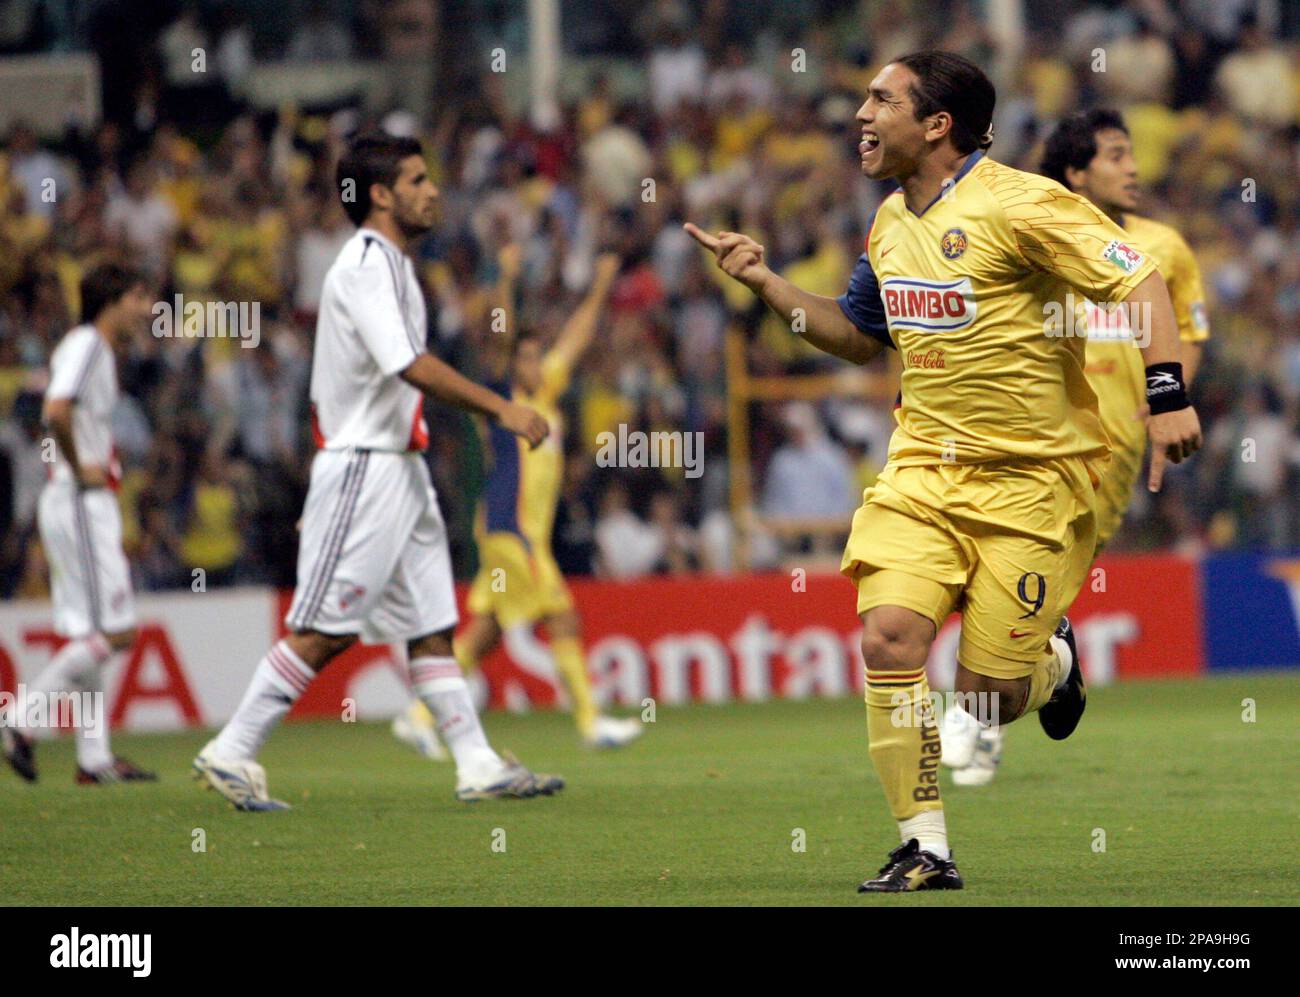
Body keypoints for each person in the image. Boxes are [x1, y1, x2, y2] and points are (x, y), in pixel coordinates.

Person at [686, 51, 1201, 891]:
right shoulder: (889, 221)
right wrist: (766, 283)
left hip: (1031, 481)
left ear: (935, 125)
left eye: (880, 99)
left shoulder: (1022, 202)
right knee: (889, 635)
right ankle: (925, 846)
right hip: (922, 470)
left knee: (990, 696)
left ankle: (1056, 665)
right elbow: (857, 334)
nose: (860, 113)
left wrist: (1166, 388)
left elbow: (1138, 280)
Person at [193, 133, 563, 810]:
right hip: (366, 467)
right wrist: (498, 409)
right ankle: (232, 747)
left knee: (430, 626)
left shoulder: (393, 266)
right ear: (382, 194)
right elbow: (409, 365)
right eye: (418, 179)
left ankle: (476, 761)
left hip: (400, 466)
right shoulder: (365, 263)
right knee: (327, 629)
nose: (434, 190)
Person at [941, 108, 1212, 785]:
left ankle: (1010, 697)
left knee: (1016, 595)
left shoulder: (1164, 248)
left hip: (1110, 450)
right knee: (984, 579)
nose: (1134, 166)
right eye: (1116, 155)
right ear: (1074, 172)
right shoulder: (1035, 237)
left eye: (1132, 153)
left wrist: (1165, 405)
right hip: (1028, 442)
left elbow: (1188, 334)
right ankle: (1032, 675)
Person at [393, 247, 643, 754]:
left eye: (536, 356)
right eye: (525, 358)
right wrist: (506, 277)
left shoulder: (545, 394)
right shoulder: (505, 402)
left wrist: (600, 285)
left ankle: (419, 716)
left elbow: (575, 339)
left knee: (486, 634)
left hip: (515, 536)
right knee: (562, 618)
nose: (535, 363)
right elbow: (500, 336)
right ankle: (591, 724)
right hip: (512, 532)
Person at [1, 263, 157, 785]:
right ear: (112, 298)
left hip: (76, 499)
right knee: (117, 631)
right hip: (81, 499)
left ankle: (94, 758)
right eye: (139, 296)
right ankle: (20, 722)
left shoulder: (92, 348)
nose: (147, 308)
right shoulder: (89, 343)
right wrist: (78, 464)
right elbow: (57, 408)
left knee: (91, 633)